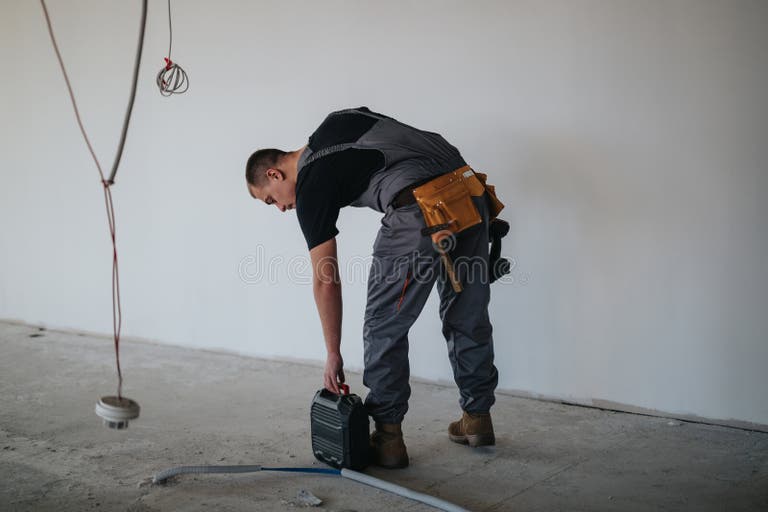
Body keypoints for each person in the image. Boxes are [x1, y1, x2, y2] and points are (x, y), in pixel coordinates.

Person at [245, 107, 498, 469]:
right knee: (467, 311)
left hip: (419, 210)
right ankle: (478, 418)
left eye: (271, 198)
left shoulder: (312, 184)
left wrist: (332, 352)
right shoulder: (338, 120)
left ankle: (389, 436)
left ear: (274, 173)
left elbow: (325, 278)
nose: (280, 208)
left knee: (383, 323)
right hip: (470, 192)